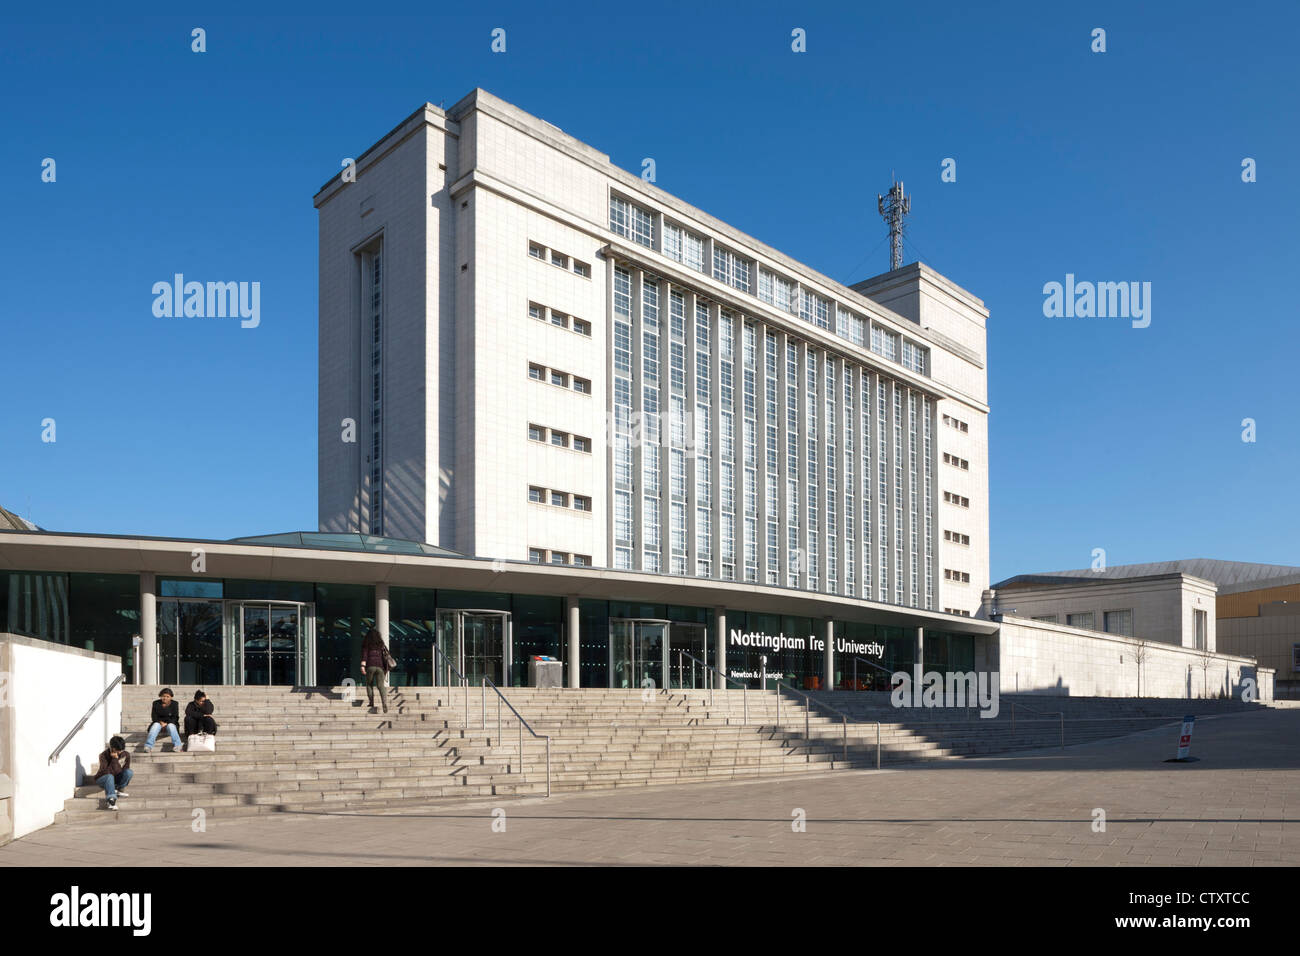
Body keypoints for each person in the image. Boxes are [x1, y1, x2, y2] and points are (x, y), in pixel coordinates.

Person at [91, 736, 132, 811]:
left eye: (121, 750)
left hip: (115, 778)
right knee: (109, 776)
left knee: (129, 772)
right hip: (103, 778)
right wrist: (114, 759)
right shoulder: (103, 756)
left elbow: (125, 769)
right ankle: (111, 800)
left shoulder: (126, 755)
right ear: (112, 748)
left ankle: (117, 789)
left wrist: (117, 764)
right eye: (118, 750)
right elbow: (106, 772)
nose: (120, 752)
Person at [359, 628, 389, 713]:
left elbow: (365, 655)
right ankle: (384, 703)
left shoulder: (367, 643)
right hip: (380, 667)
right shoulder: (381, 644)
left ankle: (371, 702)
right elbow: (386, 655)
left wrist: (362, 665)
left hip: (370, 666)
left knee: (369, 684)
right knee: (381, 686)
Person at [144, 687, 182, 753]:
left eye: (167, 696)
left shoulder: (175, 704)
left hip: (170, 722)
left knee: (171, 726)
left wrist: (166, 723)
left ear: (171, 697)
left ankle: (178, 746)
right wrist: (161, 722)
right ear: (160, 696)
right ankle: (148, 746)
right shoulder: (156, 703)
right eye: (163, 696)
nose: (165, 698)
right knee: (155, 725)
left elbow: (175, 717)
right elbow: (154, 716)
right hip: (158, 722)